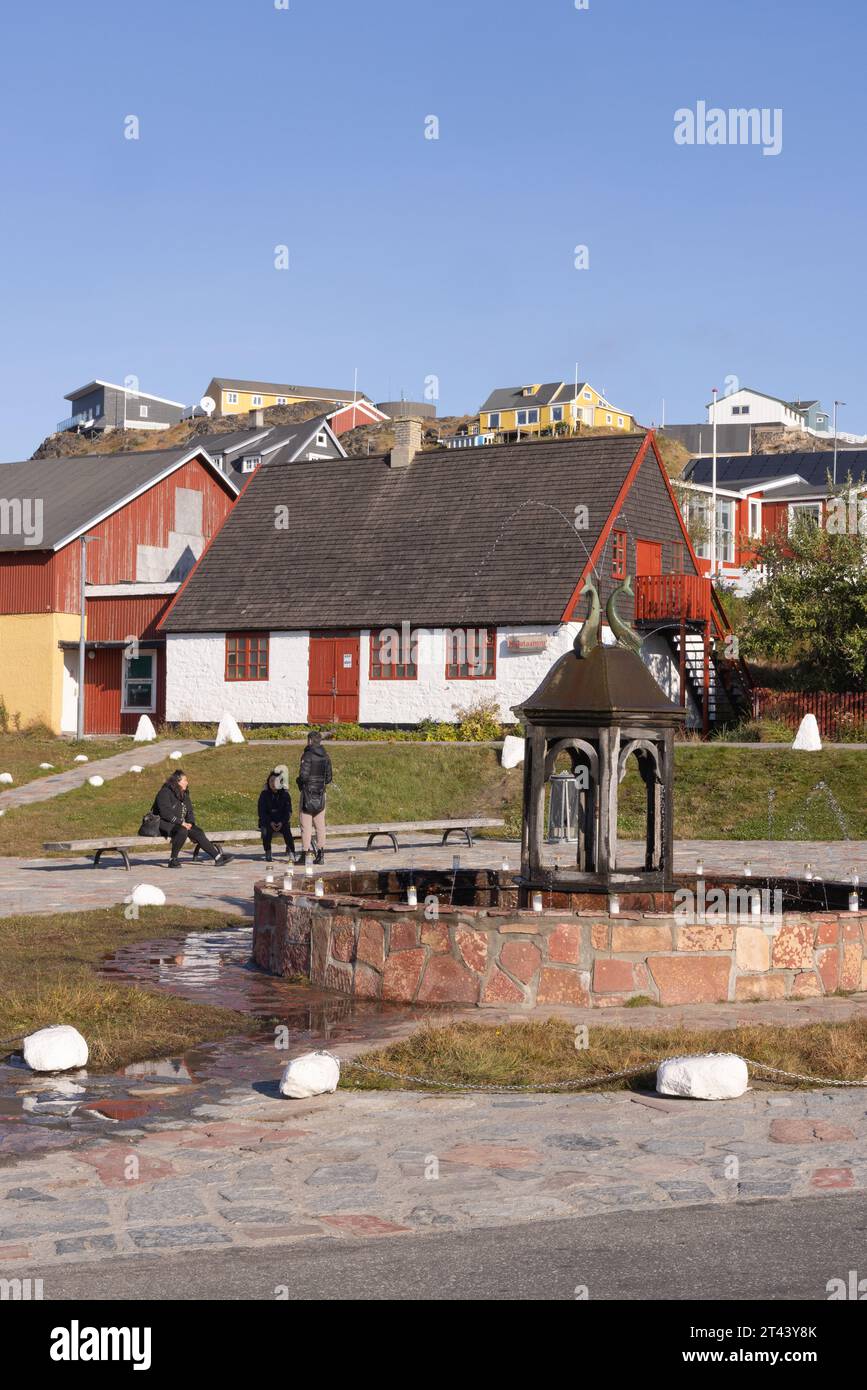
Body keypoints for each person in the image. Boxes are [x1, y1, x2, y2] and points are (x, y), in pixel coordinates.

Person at [153, 769, 233, 869]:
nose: (187, 782)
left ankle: (218, 857)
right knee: (182, 831)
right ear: (177, 781)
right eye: (185, 780)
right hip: (163, 823)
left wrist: (190, 822)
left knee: (198, 831)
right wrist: (181, 822)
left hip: (180, 824)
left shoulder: (184, 794)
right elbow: (165, 813)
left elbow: (190, 811)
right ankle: (172, 860)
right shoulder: (164, 792)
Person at [296, 731, 332, 864]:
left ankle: (305, 854)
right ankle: (321, 854)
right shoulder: (326, 756)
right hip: (321, 794)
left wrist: (299, 782)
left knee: (305, 825)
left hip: (307, 793)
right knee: (320, 825)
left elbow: (303, 776)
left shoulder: (307, 755)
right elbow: (328, 778)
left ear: (310, 741)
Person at [257, 769, 295, 862]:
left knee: (287, 831)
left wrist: (282, 822)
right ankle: (268, 851)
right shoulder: (264, 795)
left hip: (282, 821)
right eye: (271, 781)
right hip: (268, 821)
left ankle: (292, 852)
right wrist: (270, 822)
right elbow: (261, 812)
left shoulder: (285, 795)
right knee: (266, 832)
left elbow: (288, 811)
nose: (273, 783)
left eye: (275, 781)